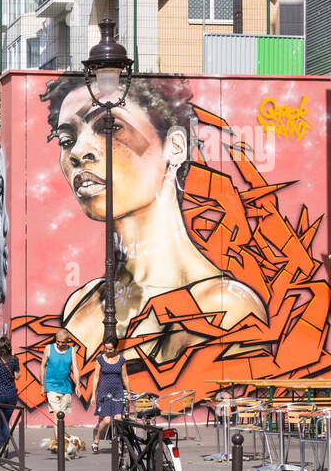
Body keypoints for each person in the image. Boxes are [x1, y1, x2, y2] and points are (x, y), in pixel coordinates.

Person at [42, 75, 267, 364]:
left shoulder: (225, 306)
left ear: (174, 146)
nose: (77, 152)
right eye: (66, 140)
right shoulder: (82, 301)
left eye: (108, 128)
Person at [91, 336, 131, 452]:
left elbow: (125, 377)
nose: (107, 351)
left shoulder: (121, 360)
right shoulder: (100, 359)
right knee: (107, 420)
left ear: (115, 348)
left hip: (117, 391)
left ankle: (117, 444)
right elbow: (96, 376)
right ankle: (97, 439)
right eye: (106, 349)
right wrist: (93, 394)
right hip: (104, 392)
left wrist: (128, 392)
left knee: (118, 418)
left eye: (110, 349)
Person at [43, 328, 80, 420]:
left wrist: (78, 385)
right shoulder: (48, 348)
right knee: (57, 414)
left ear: (67, 341)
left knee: (61, 416)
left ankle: (59, 434)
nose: (60, 344)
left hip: (66, 387)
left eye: (63, 342)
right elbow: (43, 366)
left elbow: (75, 368)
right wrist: (42, 385)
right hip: (51, 385)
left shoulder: (71, 350)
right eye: (58, 341)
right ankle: (58, 435)